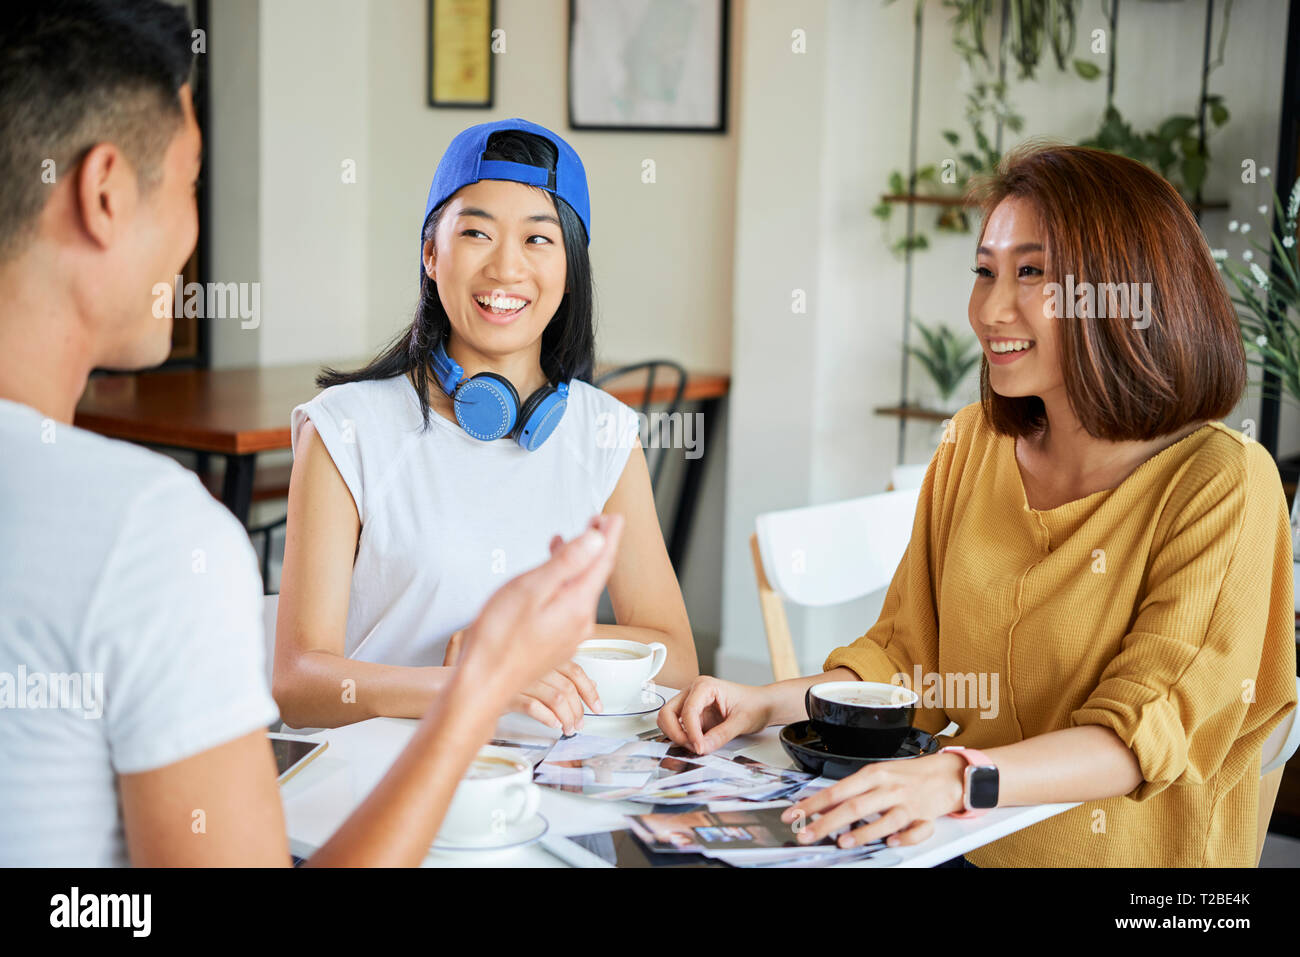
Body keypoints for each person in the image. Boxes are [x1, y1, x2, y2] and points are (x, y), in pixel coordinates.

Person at [0, 0, 623, 867]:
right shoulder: (150, 532)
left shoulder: (141, 535)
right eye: (190, 184)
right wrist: (478, 685)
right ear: (106, 192)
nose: (193, 235)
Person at [660, 141, 1298, 867]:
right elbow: (908, 663)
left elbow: (1138, 736)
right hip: (956, 846)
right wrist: (766, 703)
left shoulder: (1224, 482)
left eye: (1032, 273)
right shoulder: (973, 442)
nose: (990, 309)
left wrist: (955, 776)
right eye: (985, 271)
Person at [272, 118, 697, 735]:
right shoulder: (347, 427)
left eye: (538, 240)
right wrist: (474, 683)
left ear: (570, 268)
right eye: (476, 232)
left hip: (544, 777)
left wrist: (525, 641)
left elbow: (676, 659)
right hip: (379, 780)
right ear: (431, 253)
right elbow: (298, 684)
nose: (505, 269)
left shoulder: (604, 432)